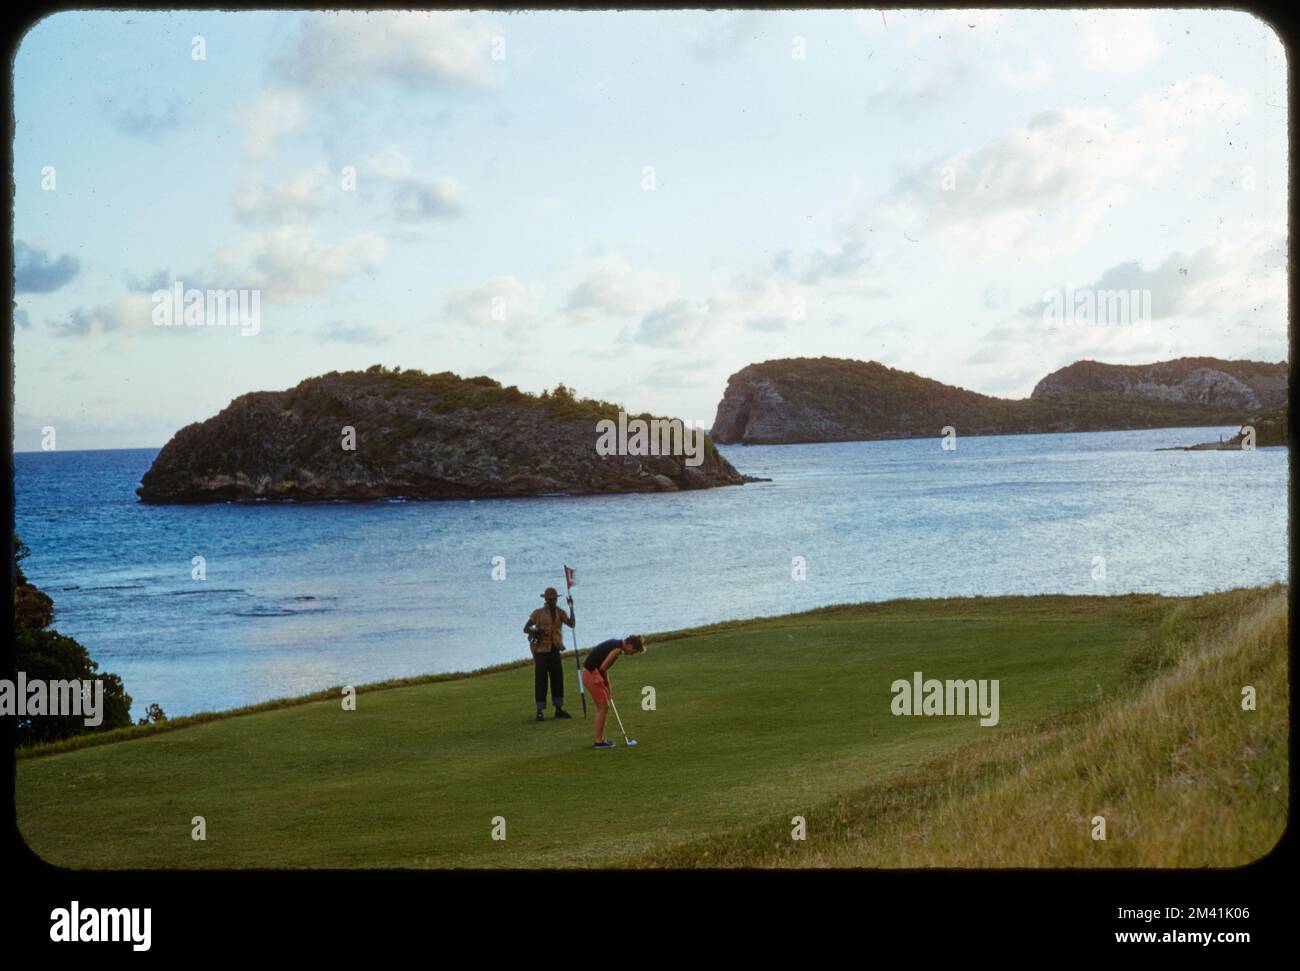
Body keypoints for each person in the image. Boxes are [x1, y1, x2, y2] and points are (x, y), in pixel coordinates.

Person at [581, 635, 645, 748]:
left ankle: (600, 740)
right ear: (629, 646)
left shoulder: (616, 644)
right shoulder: (617, 649)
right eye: (634, 651)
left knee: (604, 707)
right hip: (591, 674)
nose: (632, 654)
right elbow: (603, 668)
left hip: (591, 673)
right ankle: (598, 741)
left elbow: (603, 669)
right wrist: (606, 684)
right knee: (603, 707)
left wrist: (607, 685)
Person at [524, 587, 575, 721]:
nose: (553, 601)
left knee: (557, 678)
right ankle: (539, 711)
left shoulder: (560, 612)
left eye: (555, 599)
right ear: (546, 600)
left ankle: (558, 709)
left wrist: (571, 607)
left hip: (554, 649)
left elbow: (571, 624)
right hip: (541, 650)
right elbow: (526, 628)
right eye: (551, 599)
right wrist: (537, 631)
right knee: (541, 681)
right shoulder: (538, 613)